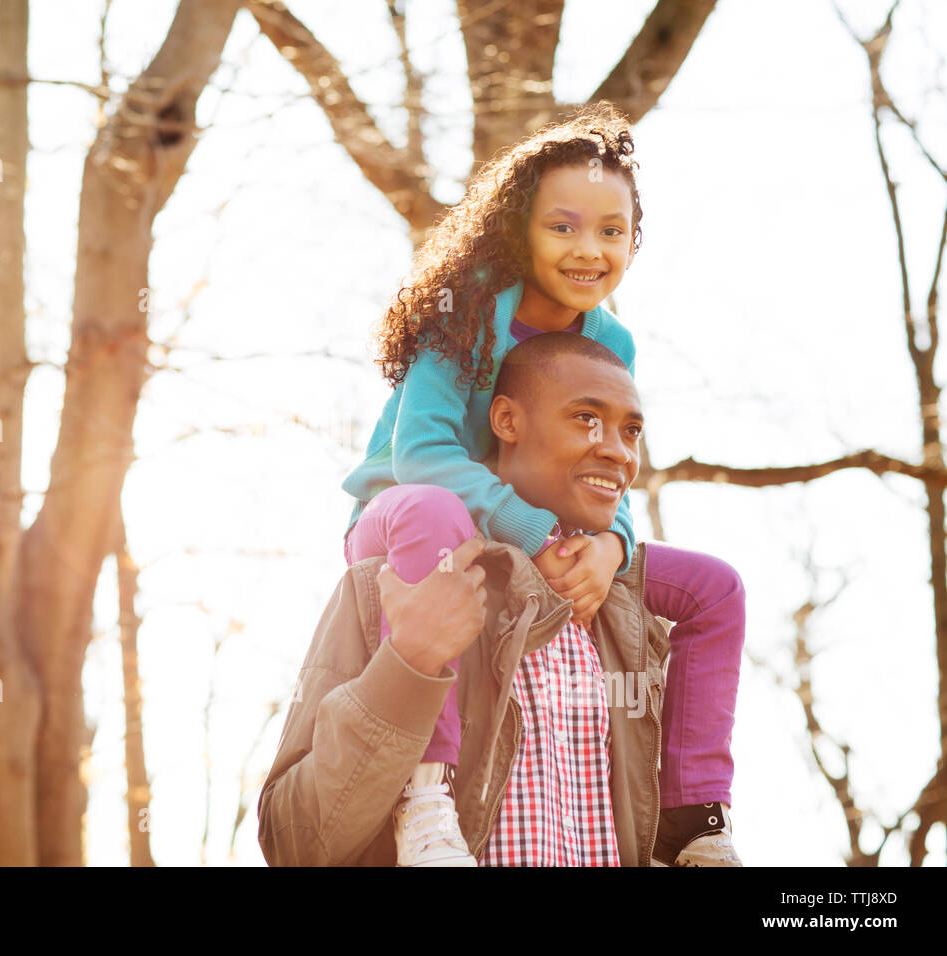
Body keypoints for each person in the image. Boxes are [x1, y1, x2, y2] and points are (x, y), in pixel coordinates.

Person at [340, 103, 744, 866]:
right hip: (406, 524)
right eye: (563, 227)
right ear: (517, 226)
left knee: (714, 588)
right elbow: (422, 453)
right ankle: (425, 791)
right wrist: (536, 530)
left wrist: (611, 544)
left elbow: (608, 469)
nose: (589, 249)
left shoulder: (612, 339)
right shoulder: (460, 314)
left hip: (550, 543)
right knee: (431, 509)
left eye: (612, 231)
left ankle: (691, 817)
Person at [259, 332, 699, 865]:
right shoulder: (398, 582)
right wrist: (408, 665)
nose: (616, 449)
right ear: (507, 423)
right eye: (585, 417)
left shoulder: (630, 621)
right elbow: (292, 843)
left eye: (631, 430)